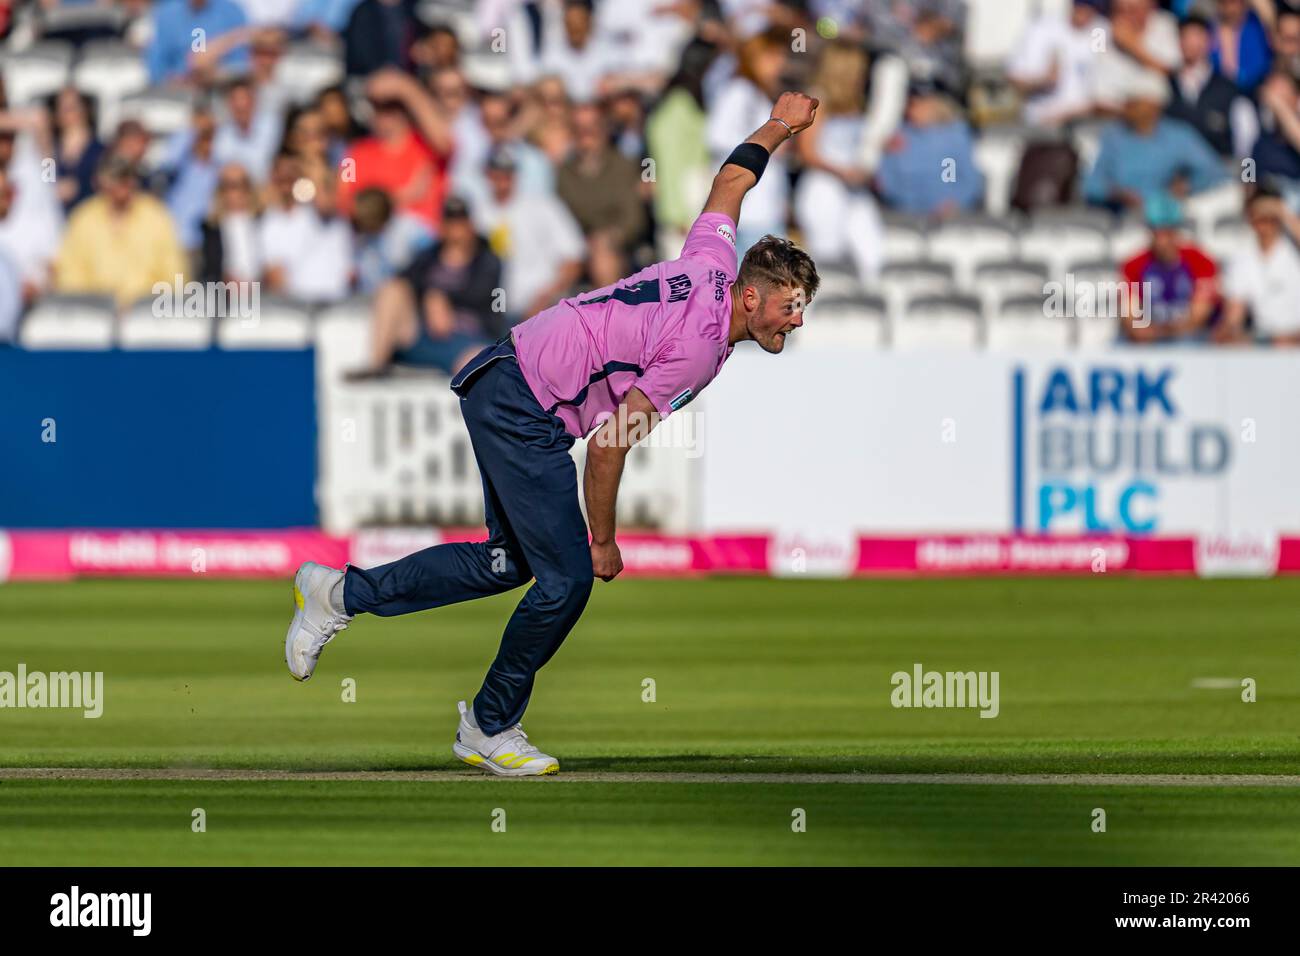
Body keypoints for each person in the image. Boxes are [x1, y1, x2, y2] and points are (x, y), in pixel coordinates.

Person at [283, 91, 822, 777]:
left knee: (509, 564)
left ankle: (338, 593)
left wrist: (780, 123)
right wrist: (602, 540)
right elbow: (608, 444)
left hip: (505, 379)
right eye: (789, 306)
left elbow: (731, 180)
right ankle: (489, 724)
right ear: (752, 298)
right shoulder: (703, 345)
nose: (795, 320)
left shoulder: (713, 260)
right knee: (566, 581)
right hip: (521, 403)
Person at [348, 194, 498, 378]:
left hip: (467, 337)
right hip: (425, 336)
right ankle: (376, 365)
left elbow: (486, 296)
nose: (456, 231)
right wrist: (430, 297)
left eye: (460, 223)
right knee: (392, 289)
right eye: (450, 223)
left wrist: (443, 299)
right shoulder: (428, 257)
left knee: (476, 363)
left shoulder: (487, 260)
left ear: (470, 226)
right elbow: (403, 279)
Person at [1119, 193, 1220, 343]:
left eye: (1166, 232)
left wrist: (1163, 331)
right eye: (1156, 232)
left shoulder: (1201, 262)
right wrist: (1140, 330)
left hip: (1188, 336)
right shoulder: (1133, 265)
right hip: (1149, 337)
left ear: (1175, 232)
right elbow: (1130, 315)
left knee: (1187, 343)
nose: (1161, 240)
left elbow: (1198, 316)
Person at [1216, 187, 1300, 344]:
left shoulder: (1293, 246)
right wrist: (1229, 331)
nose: (1265, 222)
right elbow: (1235, 315)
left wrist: (1282, 210)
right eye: (1259, 216)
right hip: (1266, 341)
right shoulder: (1242, 258)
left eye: (1270, 216)